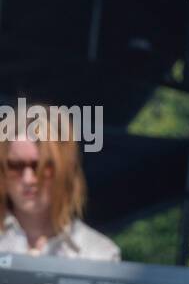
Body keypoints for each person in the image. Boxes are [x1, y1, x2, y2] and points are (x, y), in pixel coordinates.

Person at [0, 103, 120, 261]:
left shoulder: (98, 254)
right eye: (15, 166)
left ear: (65, 170)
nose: (28, 179)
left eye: (42, 167)